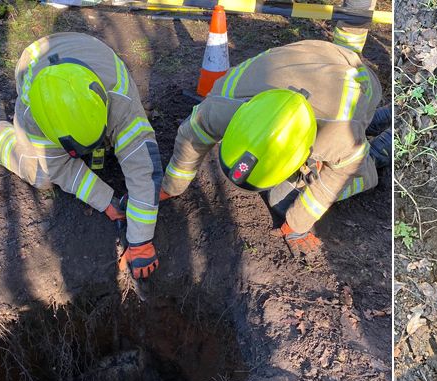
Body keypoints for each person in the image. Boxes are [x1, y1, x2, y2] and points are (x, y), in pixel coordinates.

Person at [0, 32, 162, 278]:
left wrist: (140, 242)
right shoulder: (31, 117)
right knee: (41, 175)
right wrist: (104, 200)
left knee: (129, 135)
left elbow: (144, 168)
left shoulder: (120, 96)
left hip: (90, 53)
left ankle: (102, 138)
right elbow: (60, 168)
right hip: (33, 61)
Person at [161, 40, 389, 255]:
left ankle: (383, 145)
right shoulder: (222, 106)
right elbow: (191, 136)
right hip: (311, 55)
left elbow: (338, 177)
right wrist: (172, 185)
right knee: (287, 192)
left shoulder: (337, 136)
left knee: (284, 200)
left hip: (359, 81)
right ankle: (382, 119)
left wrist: (296, 224)